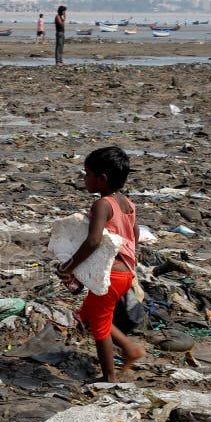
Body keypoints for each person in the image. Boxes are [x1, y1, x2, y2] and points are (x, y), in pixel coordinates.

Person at [57, 147, 145, 383]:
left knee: (100, 327)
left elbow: (93, 240)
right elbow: (134, 236)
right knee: (90, 314)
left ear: (102, 179)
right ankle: (128, 347)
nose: (85, 179)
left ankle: (109, 377)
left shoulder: (102, 205)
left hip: (112, 275)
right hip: (126, 272)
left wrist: (68, 266)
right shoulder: (127, 203)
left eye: (87, 174)